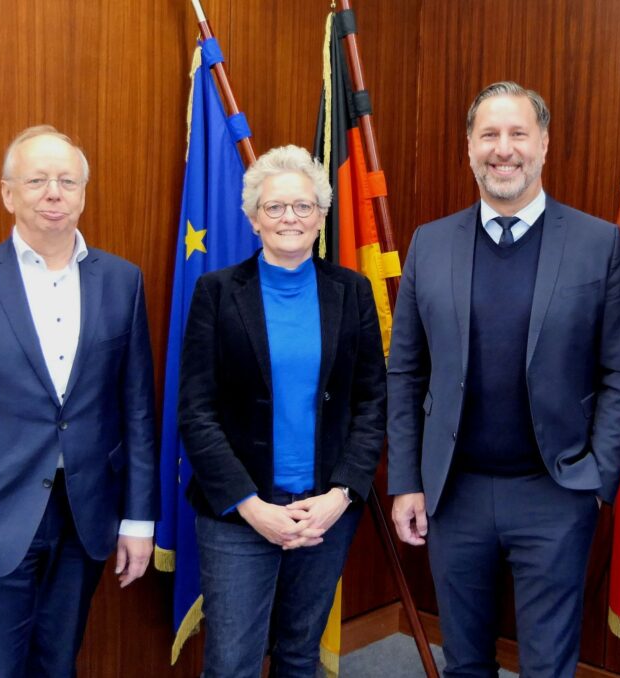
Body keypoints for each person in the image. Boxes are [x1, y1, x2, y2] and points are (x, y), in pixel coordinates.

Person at [387, 81, 620, 677]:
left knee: (549, 665)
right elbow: (405, 371)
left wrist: (597, 478)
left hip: (555, 493)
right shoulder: (430, 243)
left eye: (518, 134)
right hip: (455, 494)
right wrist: (406, 480)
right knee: (466, 663)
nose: (504, 149)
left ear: (545, 145)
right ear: (470, 148)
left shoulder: (597, 244)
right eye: (489, 135)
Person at [0, 125, 158, 677]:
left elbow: (137, 410)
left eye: (67, 180)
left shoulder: (122, 281)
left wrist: (139, 518)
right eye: (38, 180)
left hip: (86, 518)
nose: (53, 193)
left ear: (84, 193)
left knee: (57, 666)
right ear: (8, 193)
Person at [178, 144, 386, 677]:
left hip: (325, 512)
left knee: (299, 655)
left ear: (321, 217)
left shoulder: (352, 291)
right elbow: (196, 412)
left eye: (303, 206)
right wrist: (251, 506)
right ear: (252, 219)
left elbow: (371, 403)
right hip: (239, 515)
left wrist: (341, 494)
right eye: (274, 207)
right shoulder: (216, 293)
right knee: (232, 665)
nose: (289, 218)